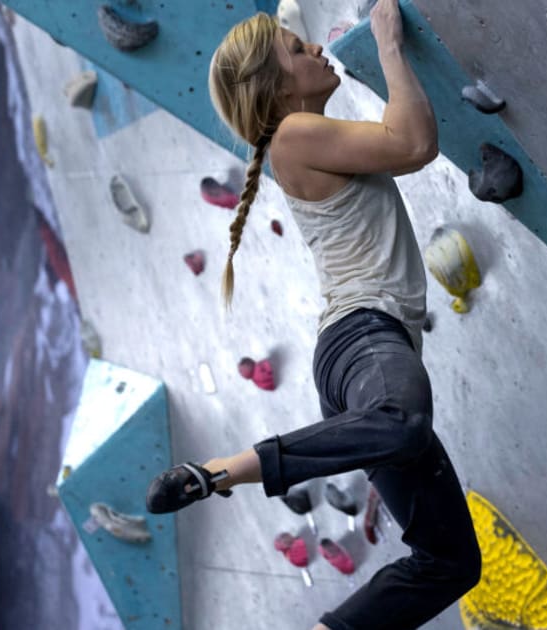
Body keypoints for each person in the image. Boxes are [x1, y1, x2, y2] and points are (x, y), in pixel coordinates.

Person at [144, 2, 481, 628]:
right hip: (365, 342)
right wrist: (386, 46)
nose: (315, 52)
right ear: (276, 90)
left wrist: (289, 23)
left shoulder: (304, 142)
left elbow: (392, 138)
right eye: (298, 52)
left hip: (365, 365)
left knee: (450, 562)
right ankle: (228, 470)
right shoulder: (292, 138)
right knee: (403, 422)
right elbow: (413, 143)